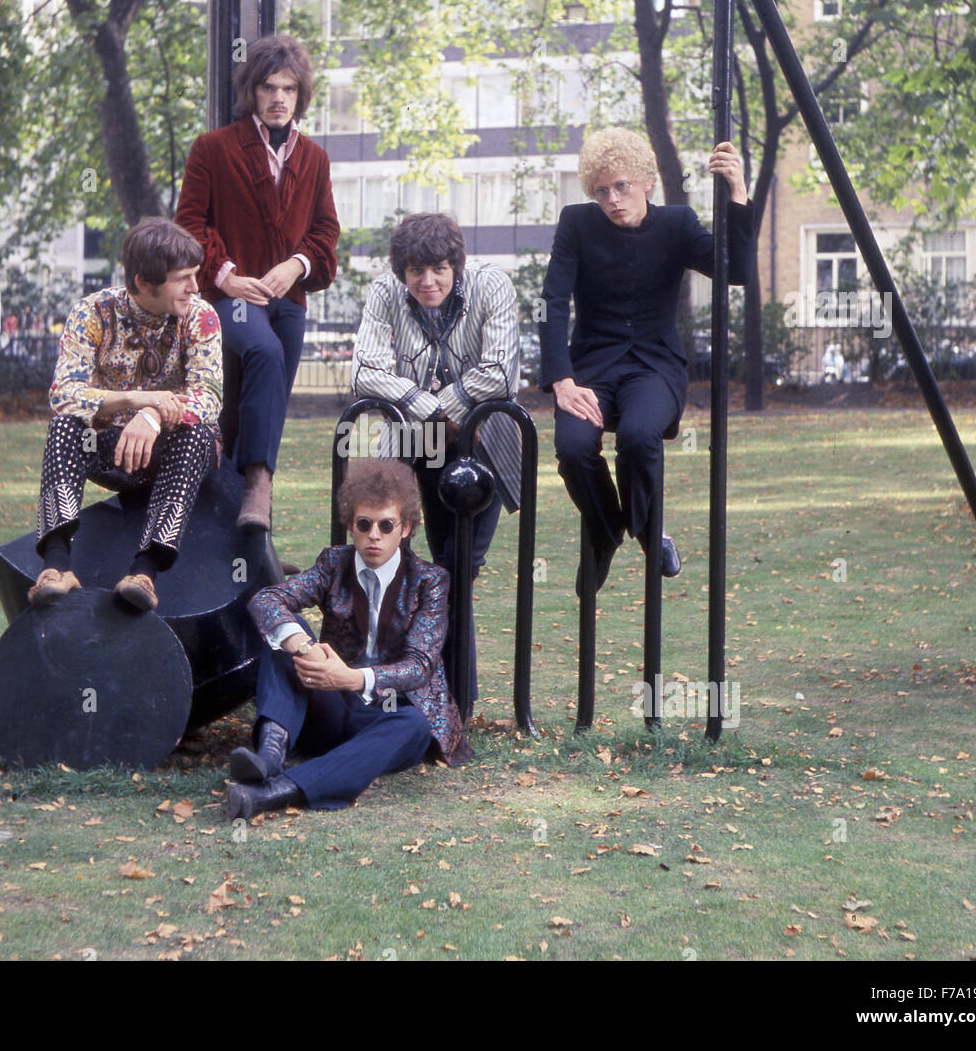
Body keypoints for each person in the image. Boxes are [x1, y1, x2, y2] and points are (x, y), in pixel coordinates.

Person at [539, 128, 755, 596]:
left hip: (654, 367)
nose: (613, 200)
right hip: (591, 370)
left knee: (639, 437)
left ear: (647, 182)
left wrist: (738, 191)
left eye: (622, 187)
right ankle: (607, 530)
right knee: (573, 448)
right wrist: (561, 380)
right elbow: (552, 301)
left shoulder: (677, 224)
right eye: (601, 191)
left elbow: (734, 270)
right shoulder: (576, 223)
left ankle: (647, 531)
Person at [225, 459, 471, 820]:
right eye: (364, 524)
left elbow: (419, 666)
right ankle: (268, 759)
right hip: (333, 707)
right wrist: (305, 648)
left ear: (405, 528)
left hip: (388, 718)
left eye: (386, 525)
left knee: (415, 724)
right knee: (285, 636)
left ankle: (274, 792)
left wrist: (352, 678)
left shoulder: (429, 581)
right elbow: (267, 600)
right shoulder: (334, 564)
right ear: (351, 526)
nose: (374, 535)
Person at [351, 212, 521, 710]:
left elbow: (501, 372)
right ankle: (418, 693)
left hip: (483, 443)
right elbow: (364, 371)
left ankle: (449, 700)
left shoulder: (492, 285)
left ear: (456, 266)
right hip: (415, 440)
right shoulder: (384, 292)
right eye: (415, 271)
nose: (428, 281)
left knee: (457, 566)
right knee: (393, 559)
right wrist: (429, 408)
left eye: (439, 269)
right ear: (401, 271)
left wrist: (445, 405)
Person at [175, 33, 340, 531]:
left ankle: (244, 543)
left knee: (256, 411)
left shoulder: (314, 158)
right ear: (252, 90)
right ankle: (259, 483)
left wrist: (296, 265)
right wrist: (227, 277)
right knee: (264, 353)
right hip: (233, 299)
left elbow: (325, 231)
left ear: (300, 95)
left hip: (288, 300)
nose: (278, 98)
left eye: (289, 88)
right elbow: (189, 224)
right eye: (268, 87)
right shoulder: (212, 149)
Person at [29, 217, 222, 612]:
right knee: (65, 425)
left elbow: (209, 396)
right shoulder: (93, 312)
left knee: (198, 434)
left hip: (171, 451)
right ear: (143, 283)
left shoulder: (201, 317)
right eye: (182, 278)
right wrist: (137, 400)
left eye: (195, 274)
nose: (195, 286)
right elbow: (63, 395)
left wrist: (153, 416)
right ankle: (56, 567)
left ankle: (144, 573)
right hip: (110, 449)